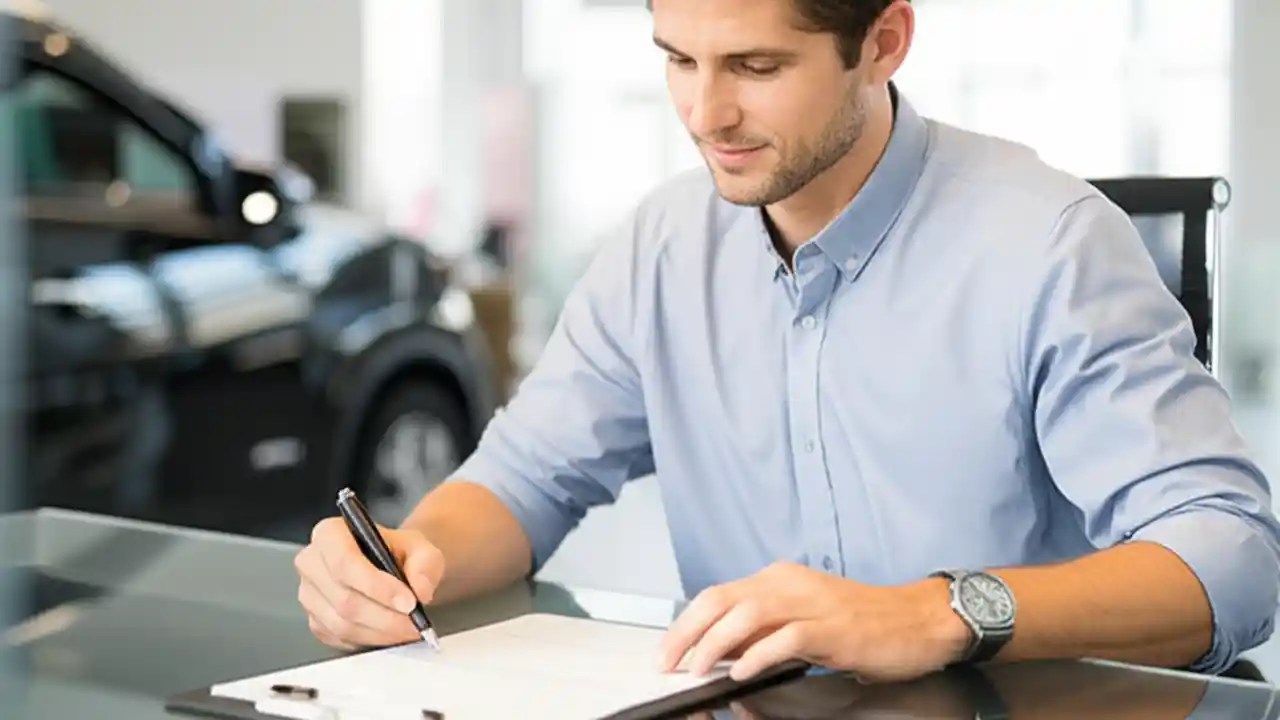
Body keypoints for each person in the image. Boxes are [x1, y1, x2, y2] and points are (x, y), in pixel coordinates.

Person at [294, 0, 1280, 684]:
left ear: (884, 41)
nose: (702, 113)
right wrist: (411, 556)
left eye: (754, 67)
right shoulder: (657, 247)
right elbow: (521, 482)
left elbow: (1229, 559)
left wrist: (933, 614)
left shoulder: (1050, 245)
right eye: (676, 58)